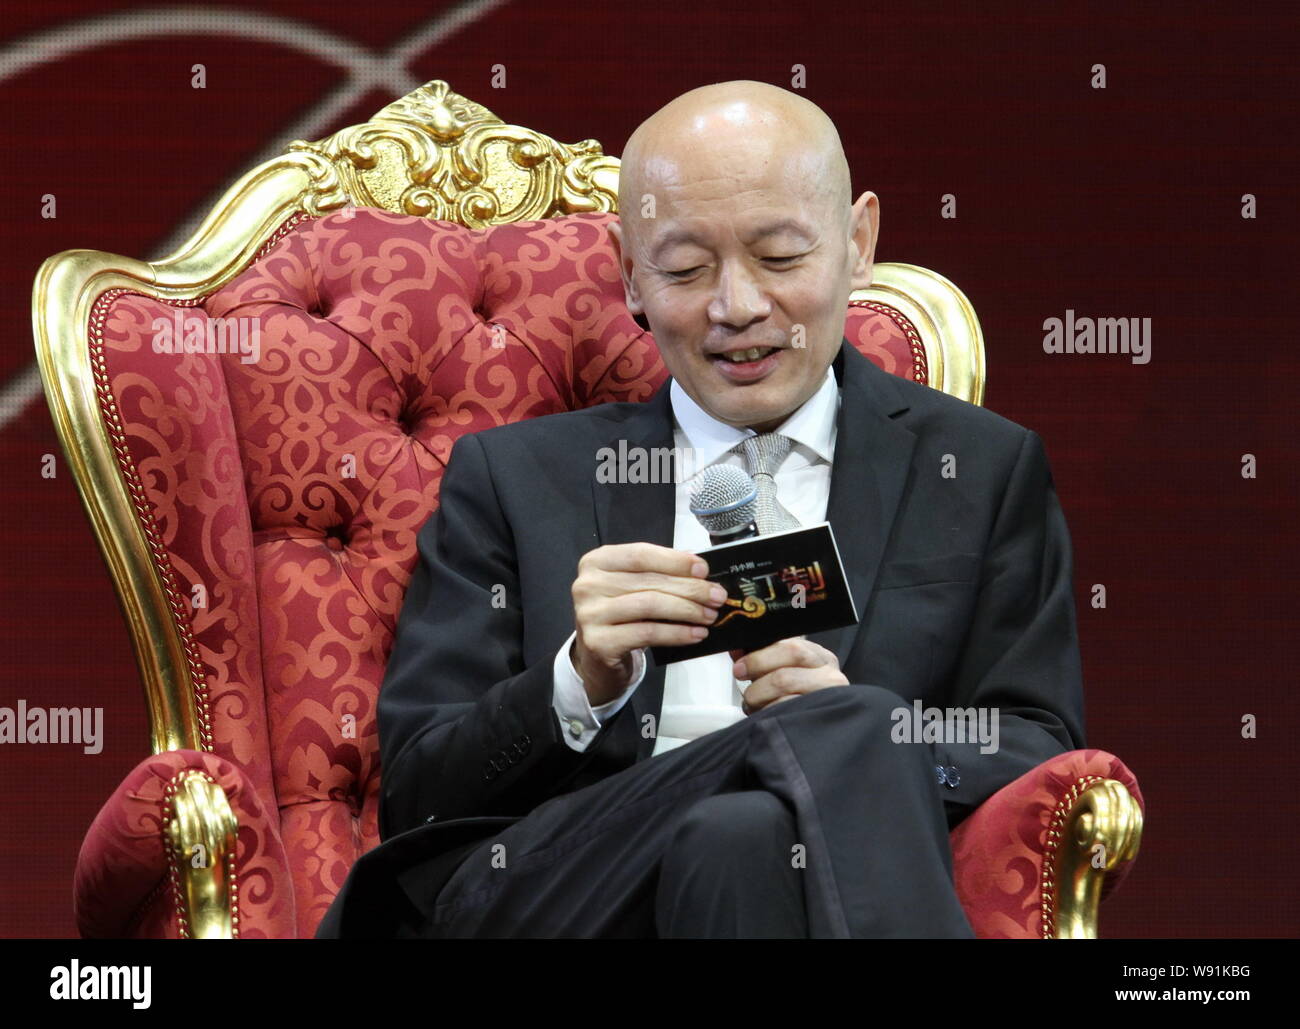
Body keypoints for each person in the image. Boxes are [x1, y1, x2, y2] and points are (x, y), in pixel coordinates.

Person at [315, 80, 1085, 938]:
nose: (737, 307)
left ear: (858, 242)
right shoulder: (514, 476)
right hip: (555, 891)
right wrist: (576, 683)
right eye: (683, 269)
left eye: (781, 258)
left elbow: (1038, 742)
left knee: (751, 827)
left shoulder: (978, 469)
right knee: (840, 739)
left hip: (775, 882)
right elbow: (418, 795)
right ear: (630, 275)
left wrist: (863, 736)